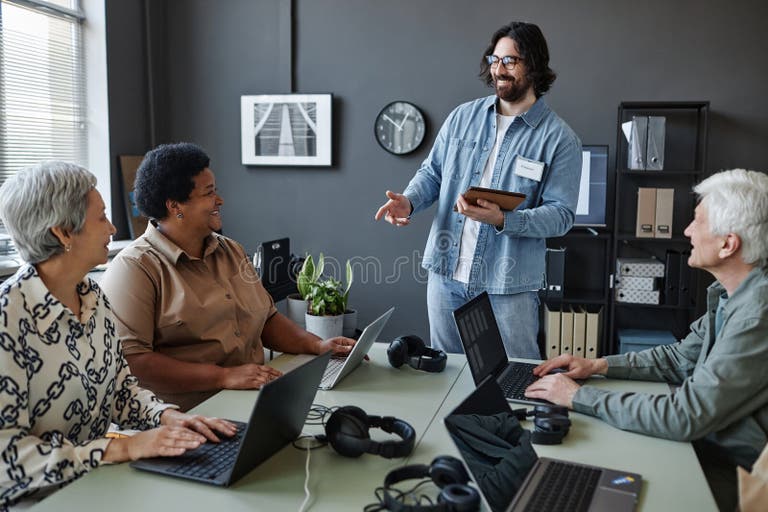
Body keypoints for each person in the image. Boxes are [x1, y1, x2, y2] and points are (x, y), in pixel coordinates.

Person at [525, 169, 768, 511]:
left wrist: (579, 397)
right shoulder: (731, 294)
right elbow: (680, 358)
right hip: (702, 447)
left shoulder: (757, 315)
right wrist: (599, 365)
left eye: (697, 221)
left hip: (730, 472)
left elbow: (687, 415)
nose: (686, 232)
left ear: (728, 244)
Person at [0, 162, 236, 509]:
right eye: (101, 217)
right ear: (63, 233)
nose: (112, 227)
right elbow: (7, 460)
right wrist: (121, 447)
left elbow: (121, 392)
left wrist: (171, 418)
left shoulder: (92, 297)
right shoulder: (8, 319)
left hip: (96, 484)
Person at [374, 21, 582, 358]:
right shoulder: (462, 117)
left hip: (509, 284)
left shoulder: (560, 139)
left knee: (517, 374)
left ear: (535, 65)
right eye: (494, 60)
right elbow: (433, 172)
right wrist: (409, 202)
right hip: (446, 275)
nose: (499, 70)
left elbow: (561, 215)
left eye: (510, 61)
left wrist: (503, 219)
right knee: (448, 373)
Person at [100, 143, 356, 411]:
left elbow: (266, 320)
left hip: (252, 399)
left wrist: (317, 345)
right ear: (175, 206)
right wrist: (223, 377)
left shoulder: (231, 250)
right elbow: (134, 361)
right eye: (209, 193)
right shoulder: (135, 268)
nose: (219, 200)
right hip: (188, 414)